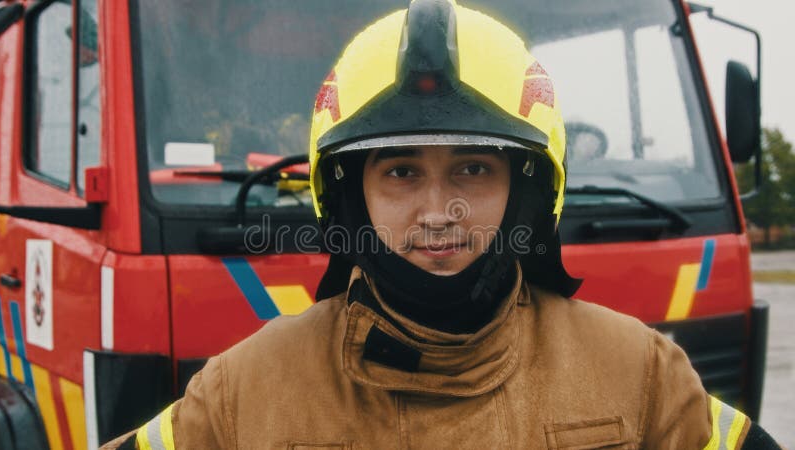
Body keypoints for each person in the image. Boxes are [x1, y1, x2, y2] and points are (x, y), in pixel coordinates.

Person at [104, 0, 781, 448]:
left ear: (525, 191)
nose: (437, 212)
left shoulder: (644, 376)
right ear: (348, 196)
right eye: (400, 171)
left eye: (473, 170)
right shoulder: (241, 394)